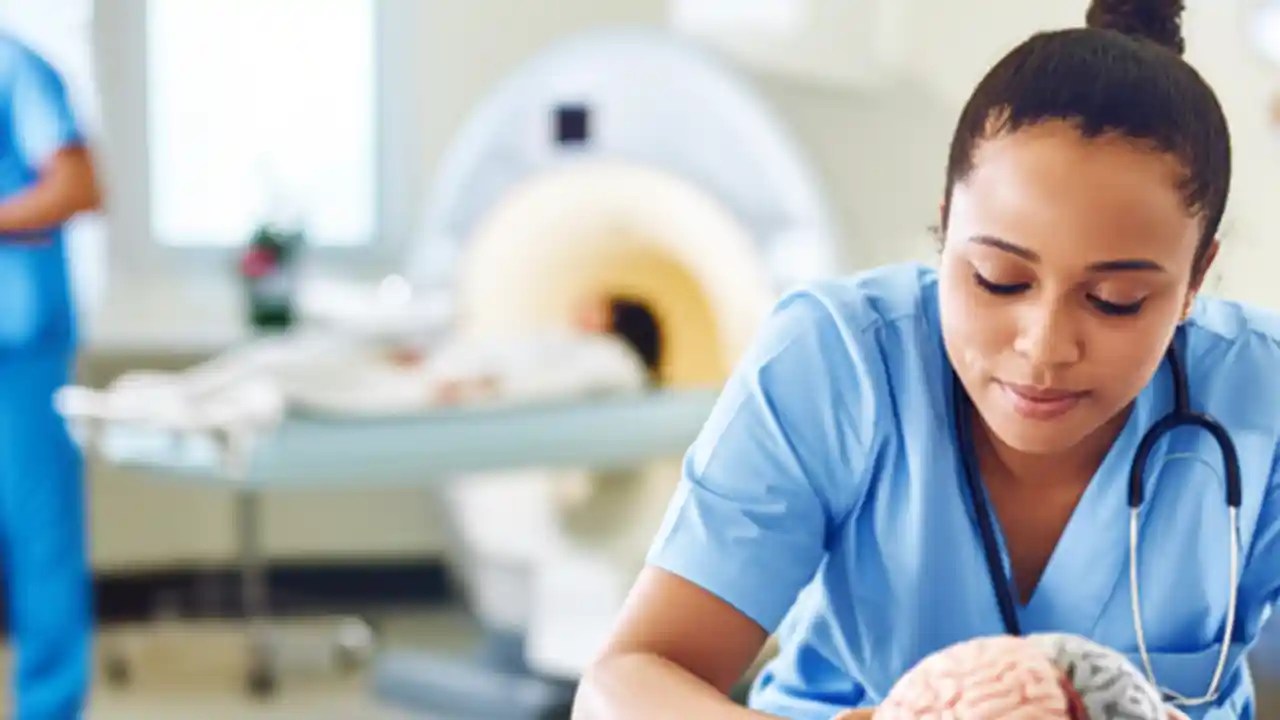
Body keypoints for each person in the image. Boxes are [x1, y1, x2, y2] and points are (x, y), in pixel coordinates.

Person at [572, 2, 1280, 719]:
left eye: (1115, 300)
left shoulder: (1263, 392)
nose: (1044, 346)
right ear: (945, 230)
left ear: (1195, 279)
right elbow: (623, 684)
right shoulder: (840, 361)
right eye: (998, 280)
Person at [0, 32, 101, 719]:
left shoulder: (17, 68)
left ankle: (49, 707)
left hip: (19, 342)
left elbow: (77, 185)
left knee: (40, 536)